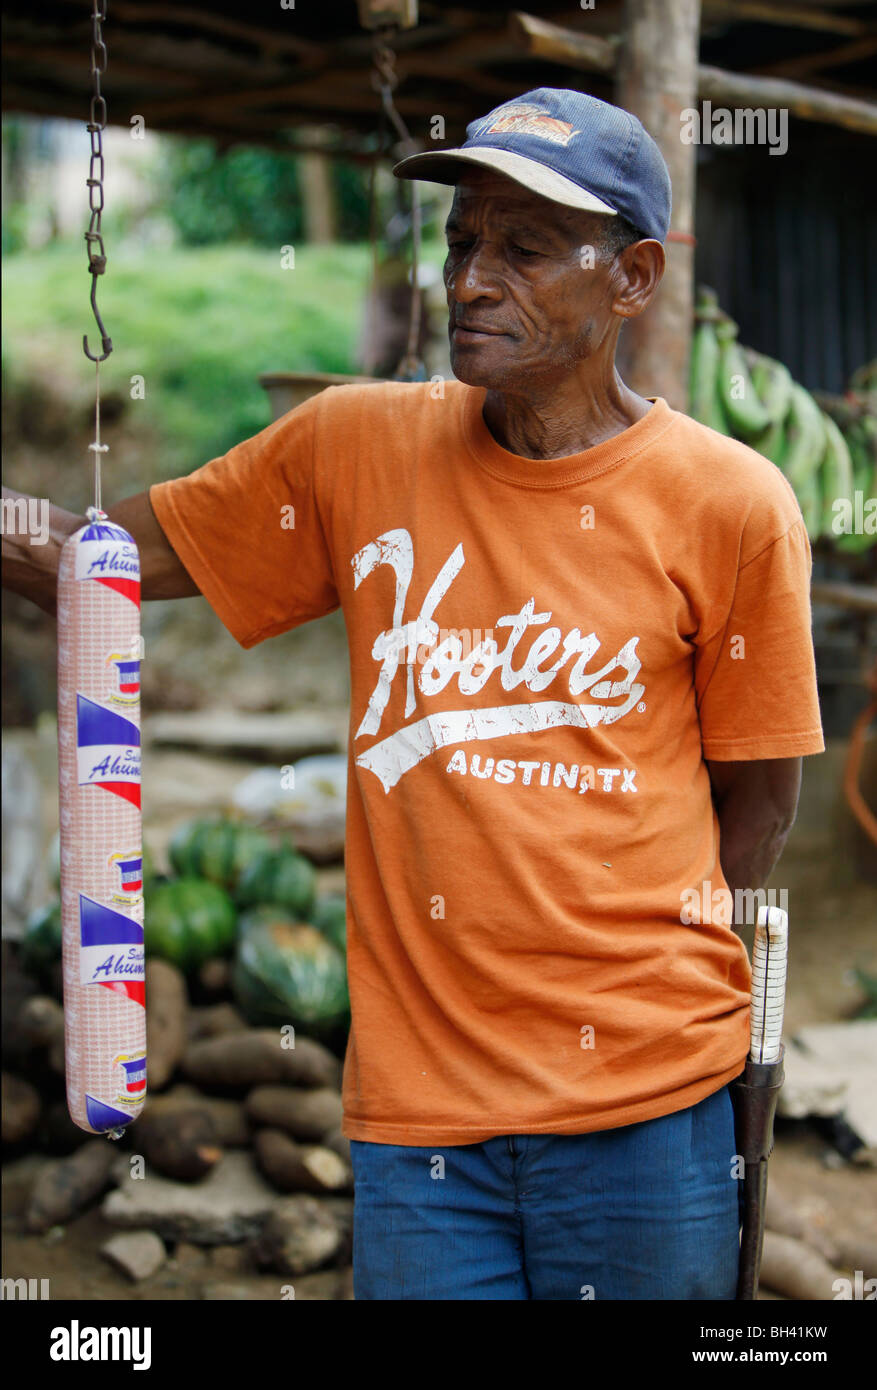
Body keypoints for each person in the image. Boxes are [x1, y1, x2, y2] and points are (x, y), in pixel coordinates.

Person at [3, 87, 824, 1300]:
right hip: (420, 1120)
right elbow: (102, 561)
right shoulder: (355, 448)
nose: (472, 277)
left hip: (648, 1105)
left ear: (633, 276)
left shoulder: (732, 505)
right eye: (462, 241)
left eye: (524, 246)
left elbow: (756, 807)